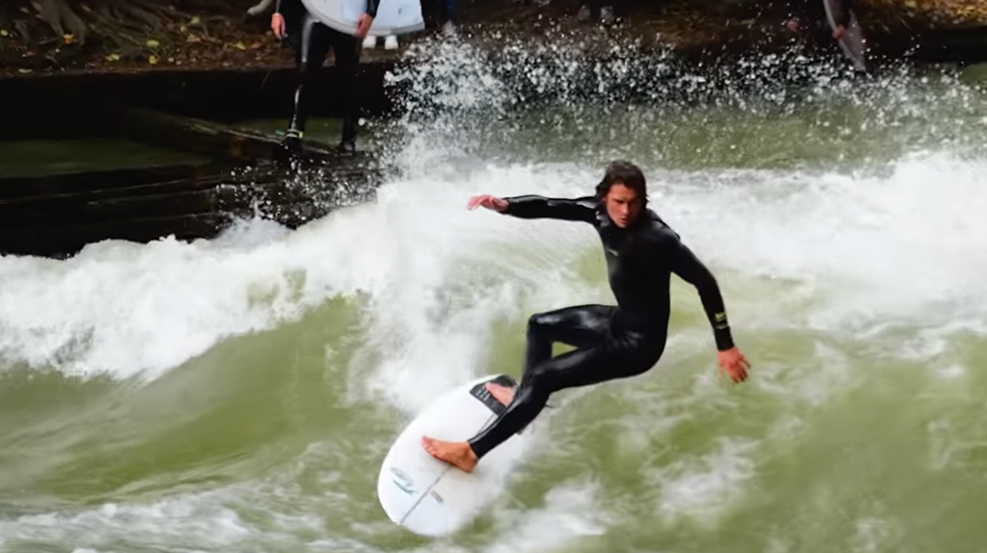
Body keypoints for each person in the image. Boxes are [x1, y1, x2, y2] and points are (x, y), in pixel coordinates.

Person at [421, 161, 752, 473]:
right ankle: (526, 404)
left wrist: (726, 345)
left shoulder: (657, 238)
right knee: (540, 326)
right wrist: (506, 205)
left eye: (634, 203)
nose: (625, 212)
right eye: (619, 202)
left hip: (639, 346)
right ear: (604, 196)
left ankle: (470, 453)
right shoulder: (599, 213)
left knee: (545, 377)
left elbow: (704, 281)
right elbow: (552, 206)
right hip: (618, 322)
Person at [271, 0, 377, 155]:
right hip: (315, 12)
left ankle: (348, 135)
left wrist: (370, 12)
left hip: (347, 13)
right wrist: (279, 11)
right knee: (305, 68)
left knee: (348, 72)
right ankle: (295, 130)